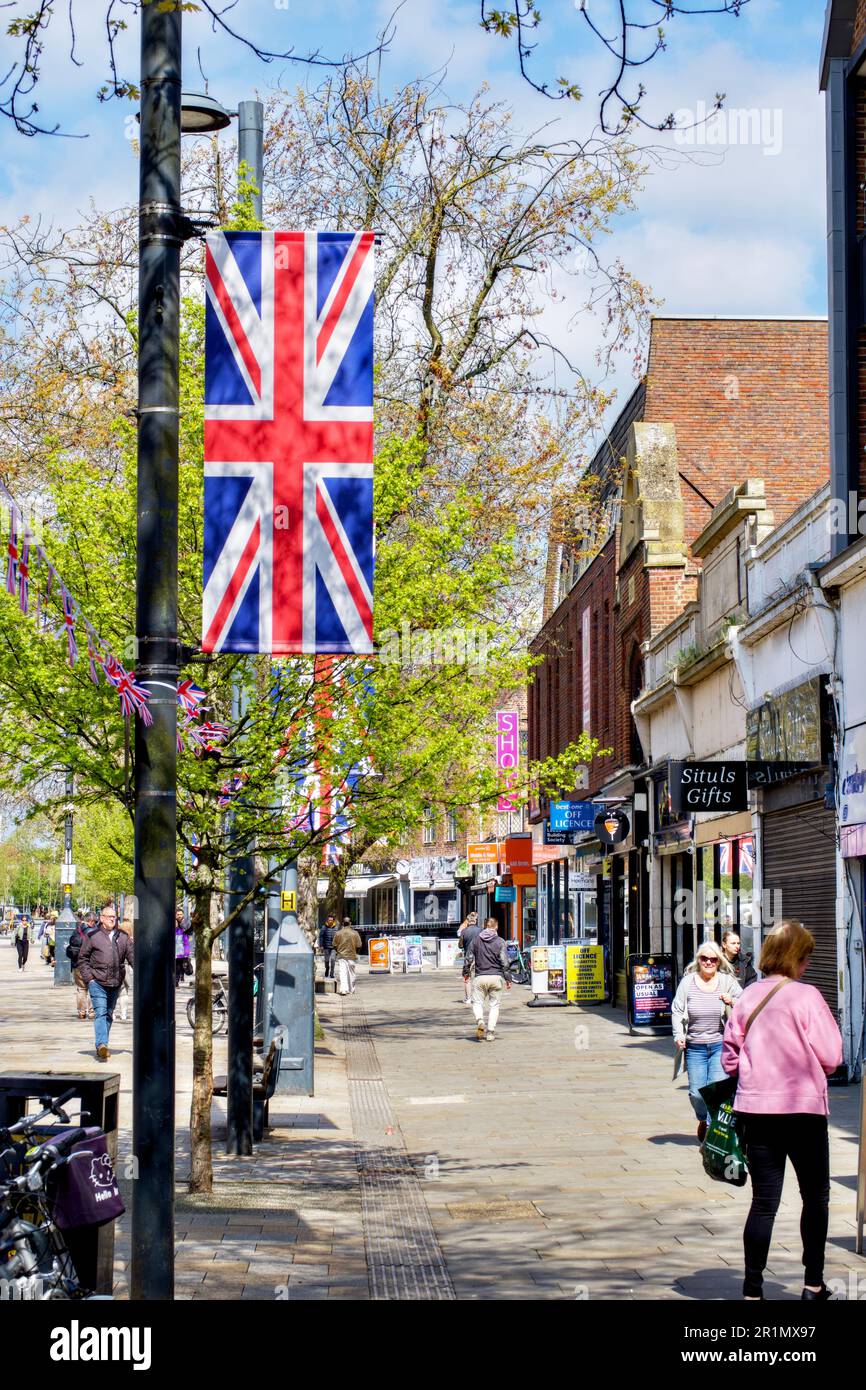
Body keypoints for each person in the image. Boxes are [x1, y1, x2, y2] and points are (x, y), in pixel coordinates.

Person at [722, 920, 843, 1302]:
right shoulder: (807, 997)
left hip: (757, 1112)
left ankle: (752, 1291)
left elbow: (729, 1060)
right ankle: (813, 1285)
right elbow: (833, 1056)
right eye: (806, 958)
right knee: (815, 1198)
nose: (807, 965)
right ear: (795, 958)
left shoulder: (745, 998)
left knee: (763, 1203)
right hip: (803, 1112)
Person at [672, 939, 743, 1144]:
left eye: (713, 959)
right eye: (705, 959)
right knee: (696, 1093)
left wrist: (732, 1001)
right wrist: (678, 1035)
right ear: (698, 960)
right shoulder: (688, 982)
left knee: (716, 1091)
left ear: (718, 962)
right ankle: (702, 1118)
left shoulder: (727, 982)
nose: (709, 962)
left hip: (720, 1045)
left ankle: (712, 1134)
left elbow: (746, 1003)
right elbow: (677, 1010)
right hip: (694, 1046)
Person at [78, 900, 134, 1061]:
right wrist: (90, 979)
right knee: (101, 1012)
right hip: (98, 982)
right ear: (101, 918)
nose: (112, 919)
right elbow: (83, 959)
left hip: (115, 982)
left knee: (109, 1014)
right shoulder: (92, 936)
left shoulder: (123, 937)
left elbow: (132, 957)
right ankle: (101, 1044)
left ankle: (103, 1044)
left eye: (114, 917)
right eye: (109, 916)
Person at [463, 917, 512, 1041]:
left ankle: (480, 1020)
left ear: (485, 926)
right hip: (496, 977)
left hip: (480, 977)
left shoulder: (476, 940)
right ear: (496, 927)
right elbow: (504, 962)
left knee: (477, 1003)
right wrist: (508, 978)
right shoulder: (500, 941)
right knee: (494, 1005)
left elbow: (468, 958)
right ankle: (490, 1032)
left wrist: (466, 973)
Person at [67, 914, 97, 1019]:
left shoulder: (76, 931)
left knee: (81, 989)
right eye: (95, 922)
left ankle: (81, 1012)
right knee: (93, 988)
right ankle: (92, 1012)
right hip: (92, 964)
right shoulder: (95, 932)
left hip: (78, 964)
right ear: (91, 922)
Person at [332, 918, 362, 995]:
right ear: (350, 923)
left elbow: (334, 945)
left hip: (341, 955)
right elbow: (359, 945)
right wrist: (356, 953)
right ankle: (352, 989)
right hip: (352, 955)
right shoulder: (355, 933)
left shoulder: (338, 933)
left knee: (343, 972)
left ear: (343, 923)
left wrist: (338, 951)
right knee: (352, 973)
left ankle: (344, 990)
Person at [457, 911, 481, 1004]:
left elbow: (460, 945)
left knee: (467, 978)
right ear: (475, 920)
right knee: (477, 978)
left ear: (468, 921)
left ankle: (468, 998)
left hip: (468, 957)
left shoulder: (464, 931)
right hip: (479, 957)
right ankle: (477, 998)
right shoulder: (480, 930)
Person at [117, 902, 135, 1021]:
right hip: (127, 967)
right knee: (124, 992)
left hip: (116, 966)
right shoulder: (131, 939)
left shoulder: (116, 937)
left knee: (114, 991)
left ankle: (112, 1013)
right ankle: (123, 1014)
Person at [174, 907, 191, 987]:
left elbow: (188, 931)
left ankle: (181, 976)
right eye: (178, 914)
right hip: (175, 949)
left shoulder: (186, 923)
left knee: (181, 965)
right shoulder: (173, 923)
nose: (179, 916)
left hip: (183, 949)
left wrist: (179, 923)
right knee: (177, 966)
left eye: (181, 914)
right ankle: (176, 981)